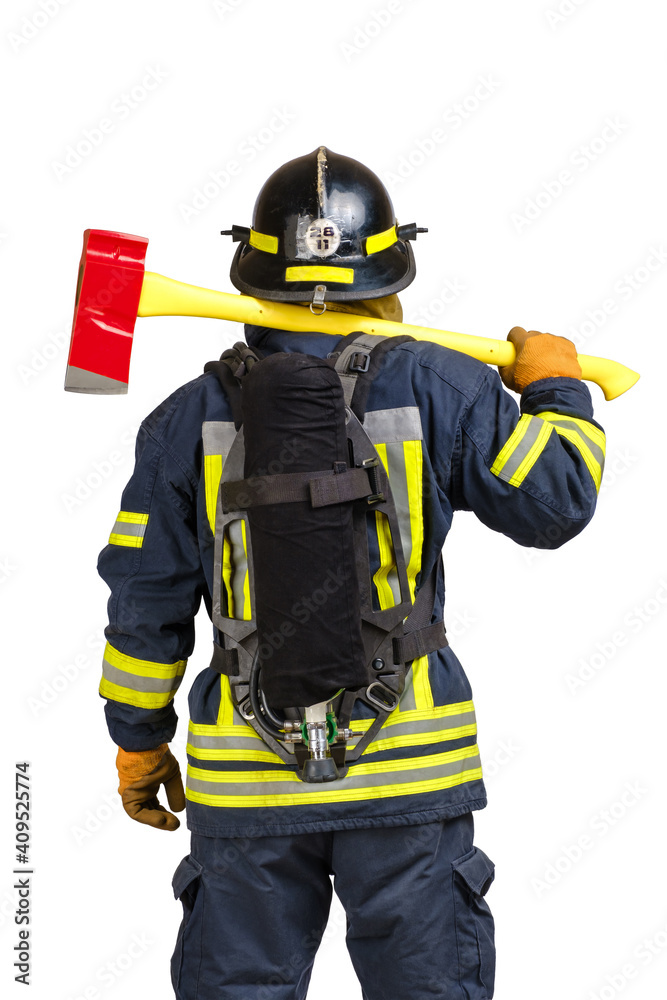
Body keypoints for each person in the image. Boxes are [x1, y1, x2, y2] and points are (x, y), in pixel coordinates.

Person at [98, 147, 605, 999]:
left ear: (253, 273)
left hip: (243, 785)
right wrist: (555, 390)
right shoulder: (445, 386)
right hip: (411, 773)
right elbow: (555, 501)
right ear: (390, 271)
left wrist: (138, 744)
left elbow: (144, 602)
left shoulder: (183, 419)